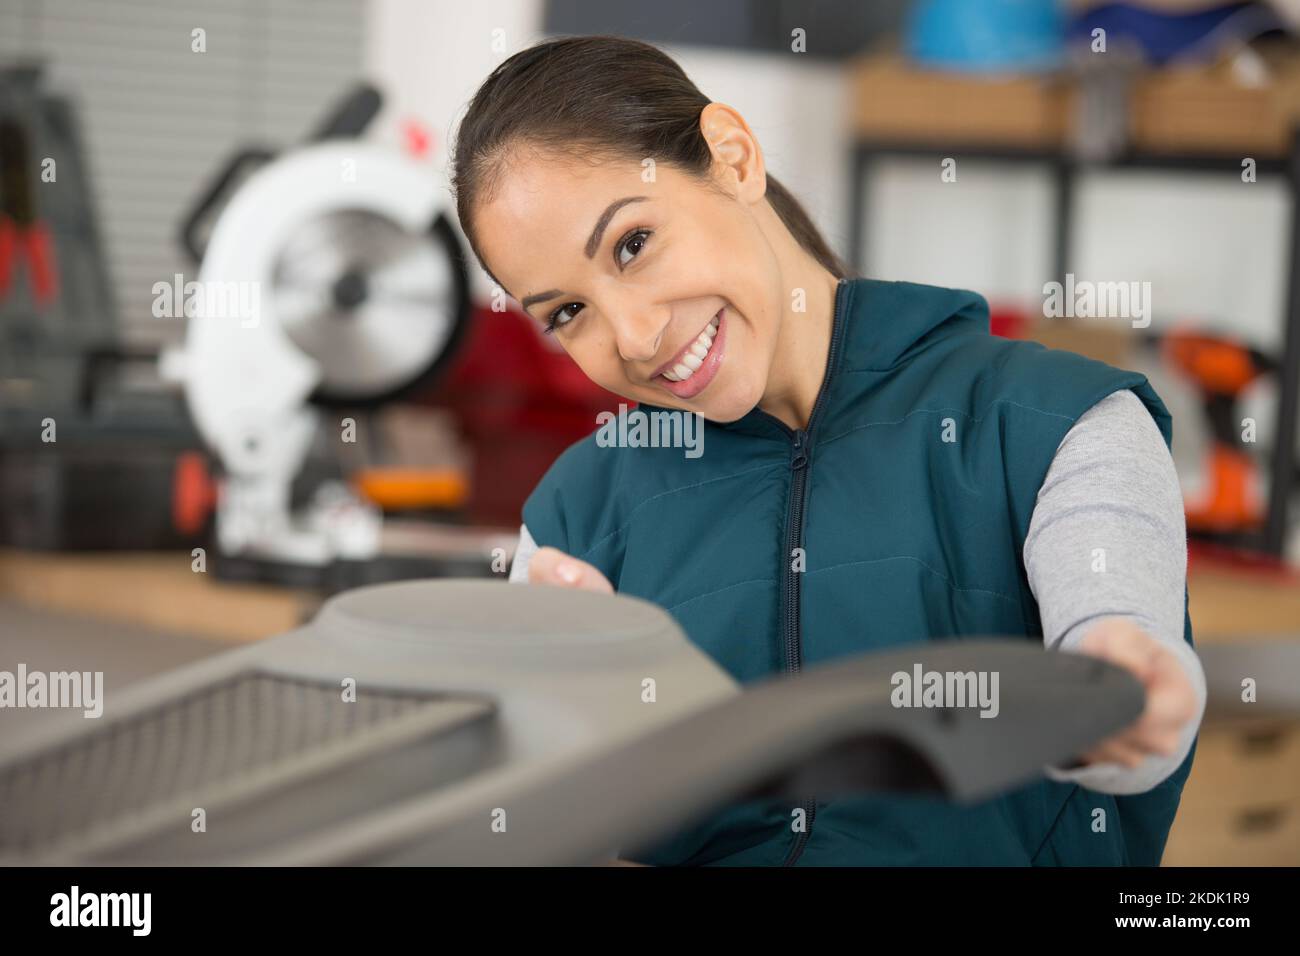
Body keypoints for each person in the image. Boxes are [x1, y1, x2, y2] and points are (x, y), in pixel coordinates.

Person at [450, 34, 1204, 866]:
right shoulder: (574, 519)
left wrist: (1116, 694)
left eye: (632, 244)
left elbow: (1134, 691)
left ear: (732, 157)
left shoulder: (1053, 422)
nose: (632, 337)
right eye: (566, 314)